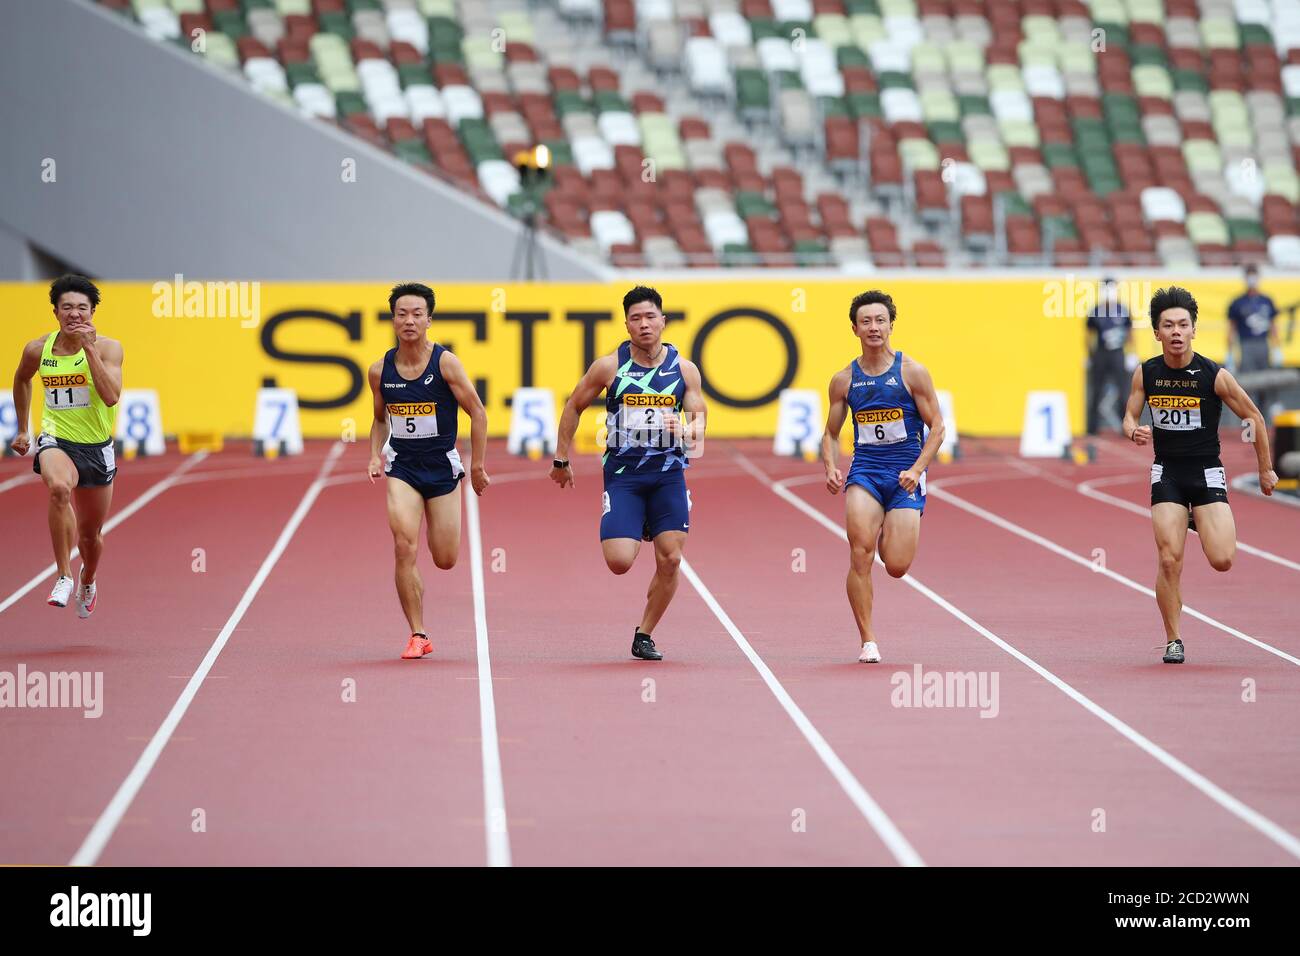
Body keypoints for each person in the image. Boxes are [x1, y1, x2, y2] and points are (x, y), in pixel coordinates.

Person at [548, 286, 706, 661]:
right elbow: (574, 405)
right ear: (627, 325)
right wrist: (560, 458)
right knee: (619, 561)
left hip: (668, 473)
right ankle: (638, 521)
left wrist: (684, 431)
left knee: (670, 559)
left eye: (650, 316)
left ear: (663, 321)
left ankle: (644, 634)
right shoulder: (609, 366)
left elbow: (700, 425)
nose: (644, 324)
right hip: (624, 474)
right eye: (636, 318)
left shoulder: (684, 370)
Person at [1122, 286, 1277, 664]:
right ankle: (1174, 639)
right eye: (1168, 325)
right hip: (1168, 472)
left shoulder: (1213, 375)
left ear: (1194, 330)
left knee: (1222, 558)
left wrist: (1265, 469)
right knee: (1169, 558)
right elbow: (1129, 415)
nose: (1176, 332)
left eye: (1183, 325)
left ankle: (1198, 517)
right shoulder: (1147, 372)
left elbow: (1253, 416)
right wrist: (1133, 430)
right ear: (1157, 332)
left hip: (1207, 472)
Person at [367, 282, 490, 660]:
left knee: (445, 558)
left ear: (429, 320)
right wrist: (375, 455)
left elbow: (478, 413)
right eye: (402, 314)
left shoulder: (445, 363)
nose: (409, 320)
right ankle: (418, 633)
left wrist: (478, 466)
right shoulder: (379, 370)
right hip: (403, 467)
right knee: (404, 546)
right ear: (392, 320)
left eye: (417, 314)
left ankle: (421, 626)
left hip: (441, 468)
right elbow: (378, 420)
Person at [821, 290, 945, 663]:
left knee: (896, 566)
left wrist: (917, 469)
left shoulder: (912, 372)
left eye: (880, 321)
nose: (873, 327)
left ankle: (895, 524)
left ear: (891, 324)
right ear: (854, 329)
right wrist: (830, 466)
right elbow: (830, 433)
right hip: (866, 474)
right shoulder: (844, 380)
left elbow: (937, 427)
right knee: (860, 552)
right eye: (866, 322)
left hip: (906, 474)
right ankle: (868, 640)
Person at [9, 275, 124, 615]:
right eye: (67, 308)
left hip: (96, 448)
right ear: (56, 312)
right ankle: (64, 575)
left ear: (92, 312)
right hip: (56, 438)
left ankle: (88, 576)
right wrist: (22, 429)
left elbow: (110, 396)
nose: (75, 314)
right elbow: (21, 379)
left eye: (82, 308)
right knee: (58, 488)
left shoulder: (108, 348)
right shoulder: (37, 349)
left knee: (91, 537)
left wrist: (88, 350)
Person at [1226, 264, 1280, 415]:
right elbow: (1232, 328)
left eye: (1254, 275)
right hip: (1246, 344)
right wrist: (1230, 353)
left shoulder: (1267, 300)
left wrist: (1277, 348)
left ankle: (1266, 412)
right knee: (1249, 381)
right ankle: (1249, 415)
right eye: (1249, 275)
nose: (1252, 279)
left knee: (1267, 379)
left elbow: (1273, 326)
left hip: (1263, 344)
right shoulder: (1237, 302)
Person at [1085, 276, 1132, 435]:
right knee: (1096, 390)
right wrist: (1089, 355)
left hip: (1118, 353)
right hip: (1100, 353)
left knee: (1123, 390)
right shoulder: (1096, 310)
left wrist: (1132, 352)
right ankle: (1092, 428)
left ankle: (1125, 426)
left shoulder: (1122, 309)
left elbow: (1130, 331)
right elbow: (1088, 333)